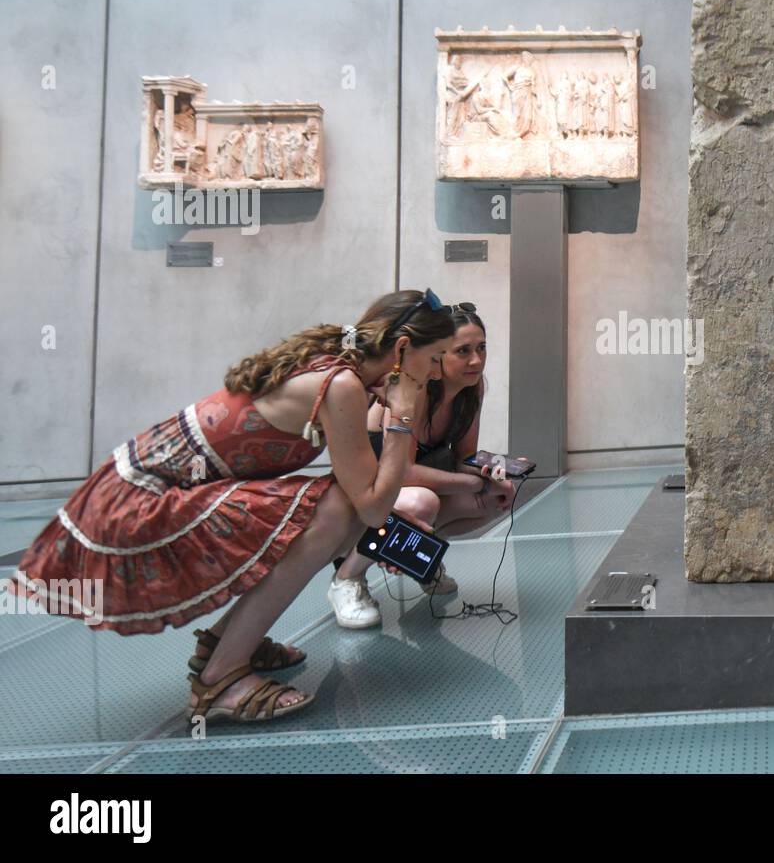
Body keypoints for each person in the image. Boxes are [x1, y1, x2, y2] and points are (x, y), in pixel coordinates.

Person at [5, 290, 458, 723]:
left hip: (131, 489)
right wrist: (401, 414)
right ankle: (220, 681)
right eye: (436, 357)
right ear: (401, 348)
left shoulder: (340, 370)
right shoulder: (340, 385)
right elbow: (372, 508)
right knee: (338, 509)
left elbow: (368, 495)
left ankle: (225, 643)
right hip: (138, 502)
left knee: (340, 505)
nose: (438, 372)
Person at [328, 302, 521, 628]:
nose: (476, 360)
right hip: (368, 496)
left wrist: (496, 472)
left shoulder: (472, 390)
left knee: (496, 496)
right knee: (422, 501)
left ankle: (421, 561)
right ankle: (347, 578)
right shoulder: (413, 391)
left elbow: (463, 460)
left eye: (482, 348)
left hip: (404, 491)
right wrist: (470, 483)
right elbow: (402, 471)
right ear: (438, 356)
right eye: (462, 351)